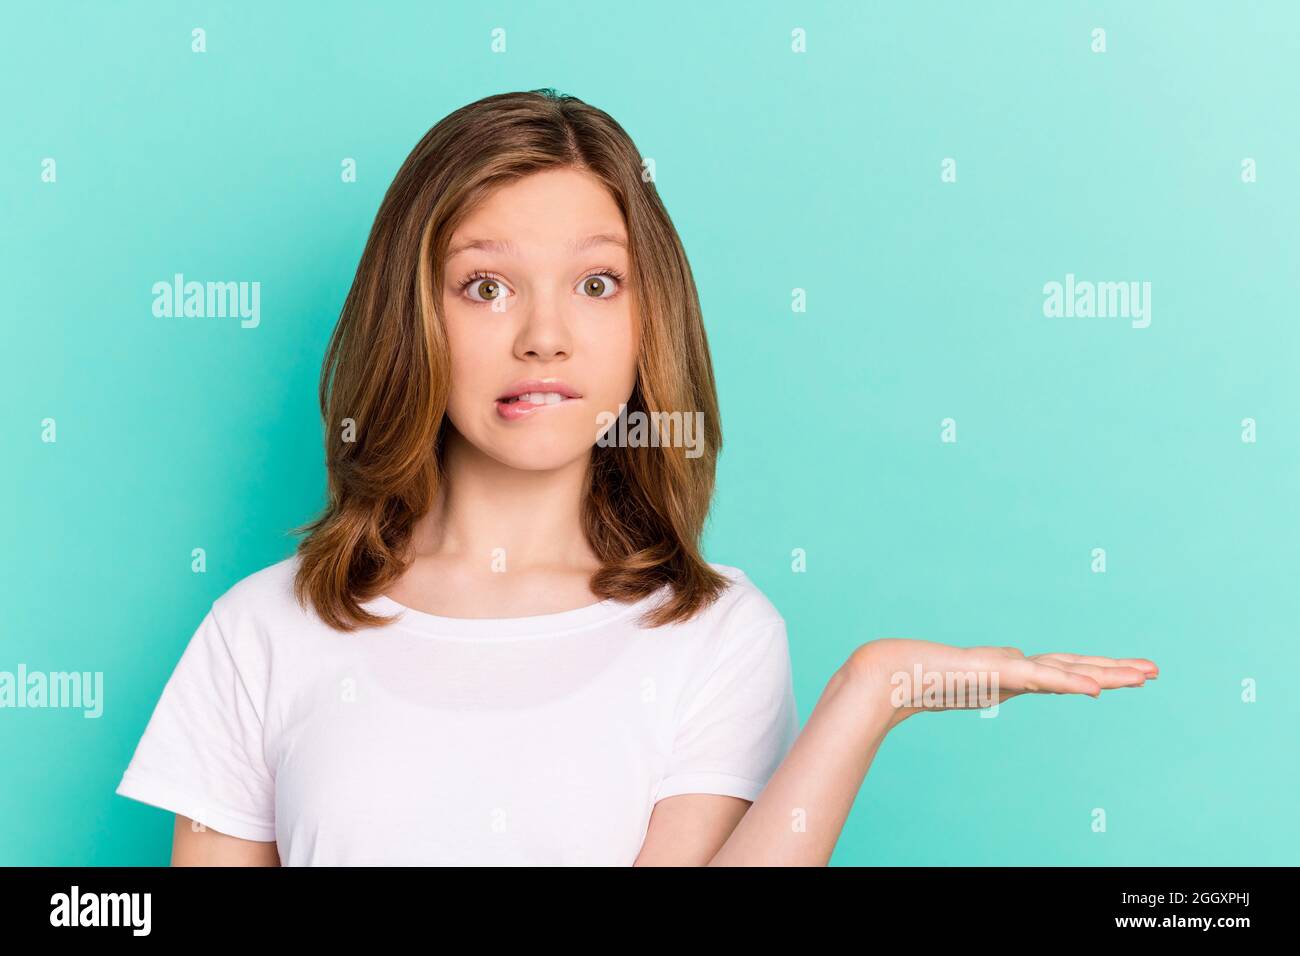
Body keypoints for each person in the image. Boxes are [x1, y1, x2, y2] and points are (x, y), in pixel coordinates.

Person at [115, 88, 1158, 866]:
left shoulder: (716, 633)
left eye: (596, 282)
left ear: (644, 316)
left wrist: (870, 689)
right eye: (485, 285)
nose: (544, 336)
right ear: (415, 317)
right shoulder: (259, 630)